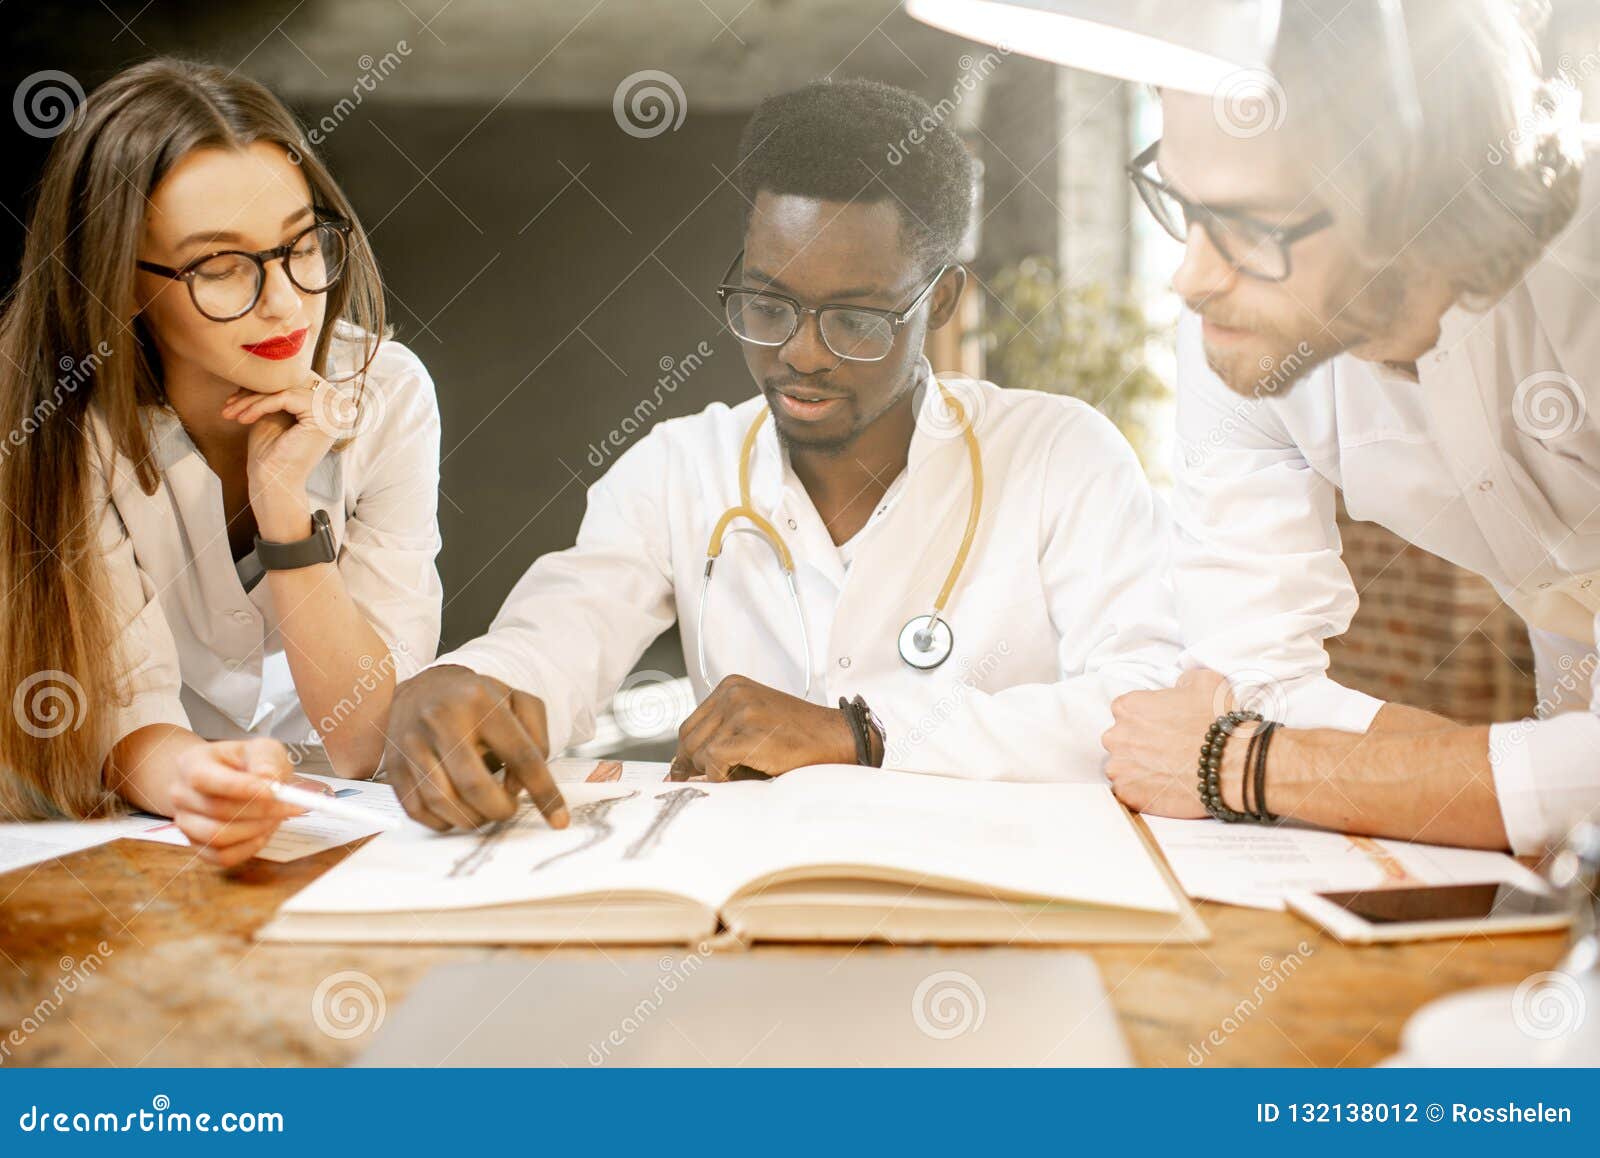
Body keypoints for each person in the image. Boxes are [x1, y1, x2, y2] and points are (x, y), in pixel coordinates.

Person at [381, 78, 1180, 831]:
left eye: (855, 319)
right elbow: (560, 636)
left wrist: (861, 735)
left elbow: (1149, 703)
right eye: (768, 305)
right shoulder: (679, 469)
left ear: (939, 301)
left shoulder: (1058, 455)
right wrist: (475, 687)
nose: (801, 354)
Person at [1098, 0, 1598, 851]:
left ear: (1418, 204)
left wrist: (1254, 769)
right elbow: (1249, 686)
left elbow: (1228, 743)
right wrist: (1538, 776)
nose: (1190, 277)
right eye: (1183, 205)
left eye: (1249, 227)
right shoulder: (1240, 327)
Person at [0, 59, 443, 865]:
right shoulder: (56, 425)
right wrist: (199, 781)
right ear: (120, 282)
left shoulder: (388, 391)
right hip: (129, 820)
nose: (284, 302)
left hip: (329, 816)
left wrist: (283, 506)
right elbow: (120, 718)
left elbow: (368, 739)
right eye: (219, 267)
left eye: (301, 246)